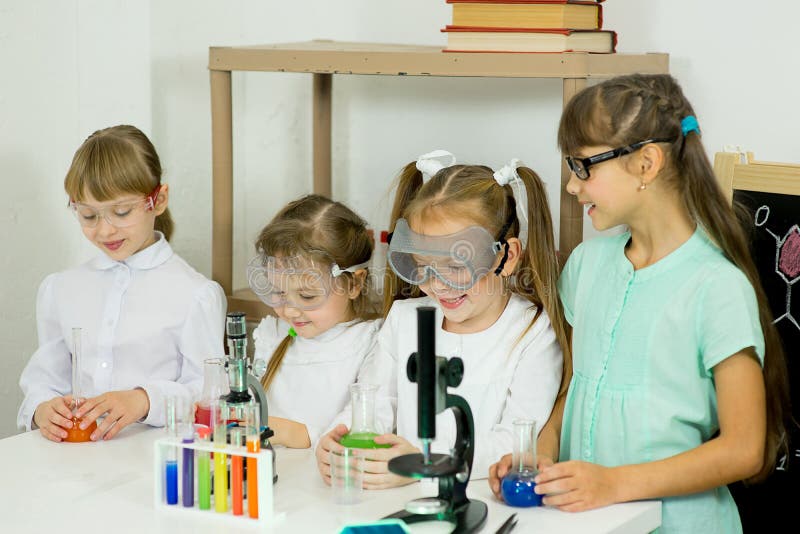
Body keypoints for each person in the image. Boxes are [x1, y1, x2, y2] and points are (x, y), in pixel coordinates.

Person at [488, 74, 790, 533]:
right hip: (590, 522)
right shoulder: (587, 267)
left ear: (647, 163)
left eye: (583, 165)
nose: (571, 185)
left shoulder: (716, 286)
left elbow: (744, 450)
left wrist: (613, 484)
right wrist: (540, 454)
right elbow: (574, 388)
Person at [316, 150, 571, 489]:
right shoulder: (404, 318)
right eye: (423, 265)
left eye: (456, 266)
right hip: (402, 497)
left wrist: (423, 464)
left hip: (482, 500)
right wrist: (341, 435)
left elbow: (515, 441)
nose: (437, 284)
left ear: (506, 256)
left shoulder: (532, 333)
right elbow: (375, 401)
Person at [18, 124, 227, 442]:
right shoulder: (61, 289)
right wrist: (42, 407)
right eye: (88, 216)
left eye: (121, 212)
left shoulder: (194, 294)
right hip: (71, 461)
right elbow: (44, 378)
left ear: (158, 200)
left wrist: (144, 400)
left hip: (151, 461)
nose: (104, 231)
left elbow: (211, 392)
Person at [249, 194, 382, 448]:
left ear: (354, 283)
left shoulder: (371, 342)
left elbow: (360, 427)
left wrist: (286, 432)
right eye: (278, 292)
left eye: (307, 295)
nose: (289, 310)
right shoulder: (274, 334)